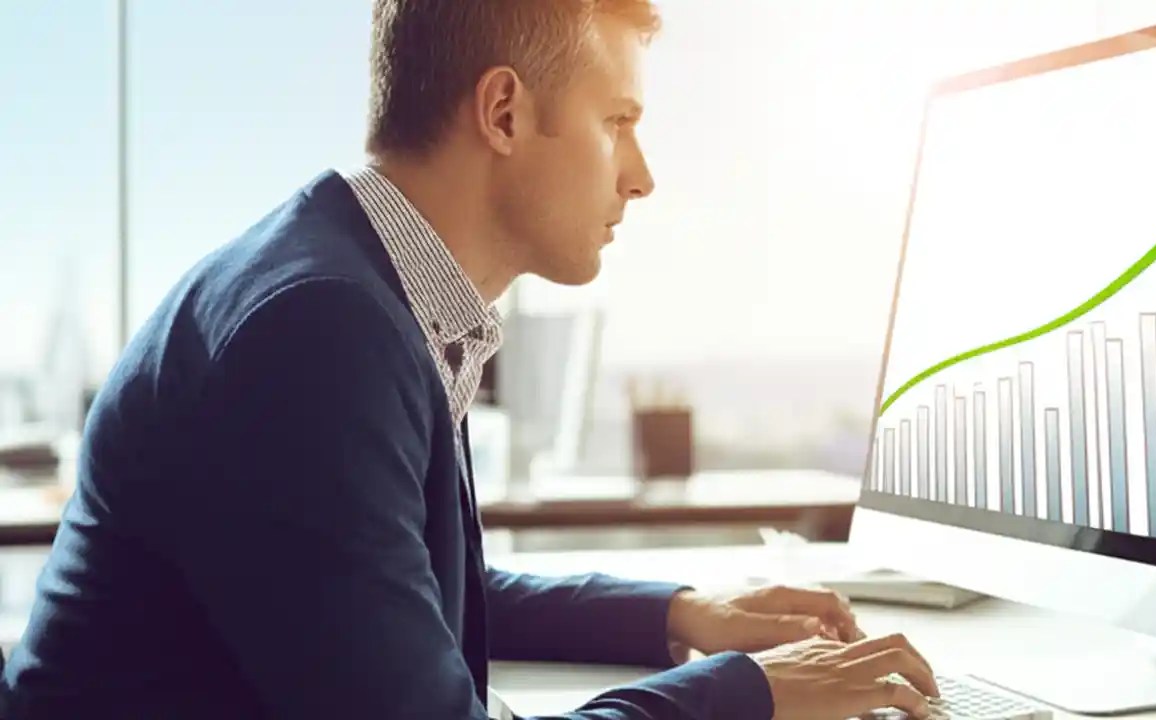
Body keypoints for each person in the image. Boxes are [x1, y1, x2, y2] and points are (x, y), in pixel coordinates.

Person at [0, 1, 940, 718]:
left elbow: (402, 587)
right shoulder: (317, 334)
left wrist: (683, 614)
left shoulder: (353, 285)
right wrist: (748, 693)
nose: (641, 174)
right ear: (502, 111)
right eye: (617, 121)